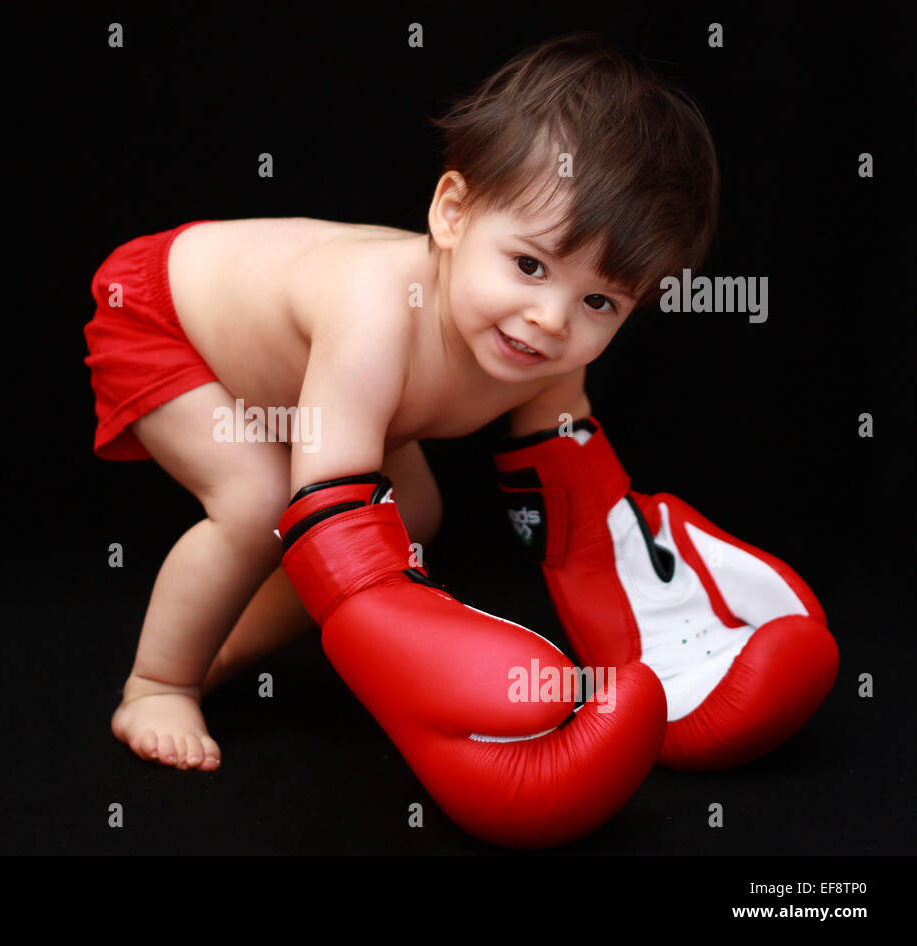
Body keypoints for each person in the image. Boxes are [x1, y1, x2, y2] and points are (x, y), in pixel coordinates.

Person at [84, 31, 719, 771]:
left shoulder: (548, 355)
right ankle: (159, 681)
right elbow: (332, 508)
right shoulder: (376, 316)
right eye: (528, 264)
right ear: (452, 213)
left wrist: (653, 626)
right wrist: (417, 652)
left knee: (416, 514)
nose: (552, 319)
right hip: (161, 315)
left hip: (306, 385)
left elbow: (571, 496)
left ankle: (222, 646)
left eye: (601, 301)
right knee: (259, 505)